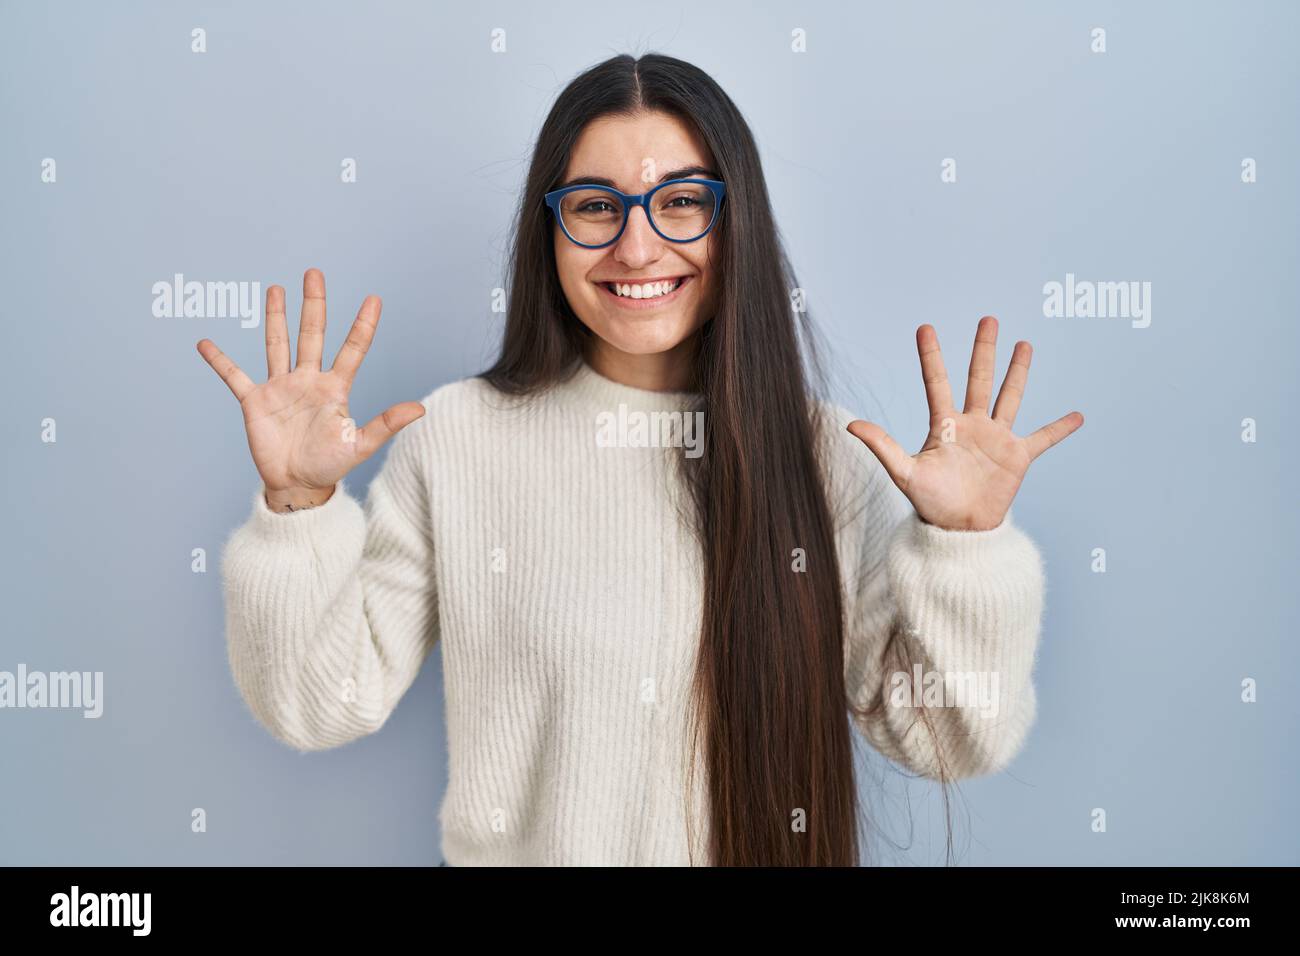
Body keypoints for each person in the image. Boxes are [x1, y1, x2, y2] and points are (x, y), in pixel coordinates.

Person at [197, 53, 1082, 866]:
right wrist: (297, 507)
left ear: (735, 221)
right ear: (550, 230)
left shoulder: (828, 461)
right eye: (594, 205)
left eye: (682, 201)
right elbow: (319, 704)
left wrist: (966, 547)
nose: (636, 245)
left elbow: (949, 742)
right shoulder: (454, 437)